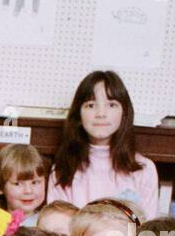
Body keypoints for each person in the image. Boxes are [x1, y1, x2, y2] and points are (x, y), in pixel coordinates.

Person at [48, 70, 158, 217]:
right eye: (91, 105)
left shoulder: (144, 170)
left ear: (124, 113)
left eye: (111, 105)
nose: (101, 113)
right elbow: (57, 230)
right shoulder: (62, 170)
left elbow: (146, 231)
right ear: (78, 115)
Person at [0, 143, 48, 229]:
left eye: (35, 182)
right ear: (0, 186)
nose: (28, 191)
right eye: (18, 184)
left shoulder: (49, 224)